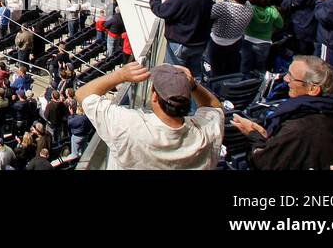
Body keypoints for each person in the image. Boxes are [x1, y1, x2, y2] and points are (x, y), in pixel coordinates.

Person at [76, 61, 224, 169]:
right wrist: (193, 86)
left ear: (154, 95)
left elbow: (82, 94)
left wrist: (120, 75)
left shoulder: (128, 125)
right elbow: (214, 107)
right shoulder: (206, 134)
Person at [229, 56, 333, 170]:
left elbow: (264, 162)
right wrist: (265, 137)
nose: (286, 79)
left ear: (313, 89)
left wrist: (254, 136)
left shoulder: (299, 128)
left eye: (292, 77)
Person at [150, 0, 213, 78]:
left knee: (174, 77)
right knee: (195, 77)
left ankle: (175, 96)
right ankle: (196, 96)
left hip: (181, 44)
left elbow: (159, 10)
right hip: (199, 43)